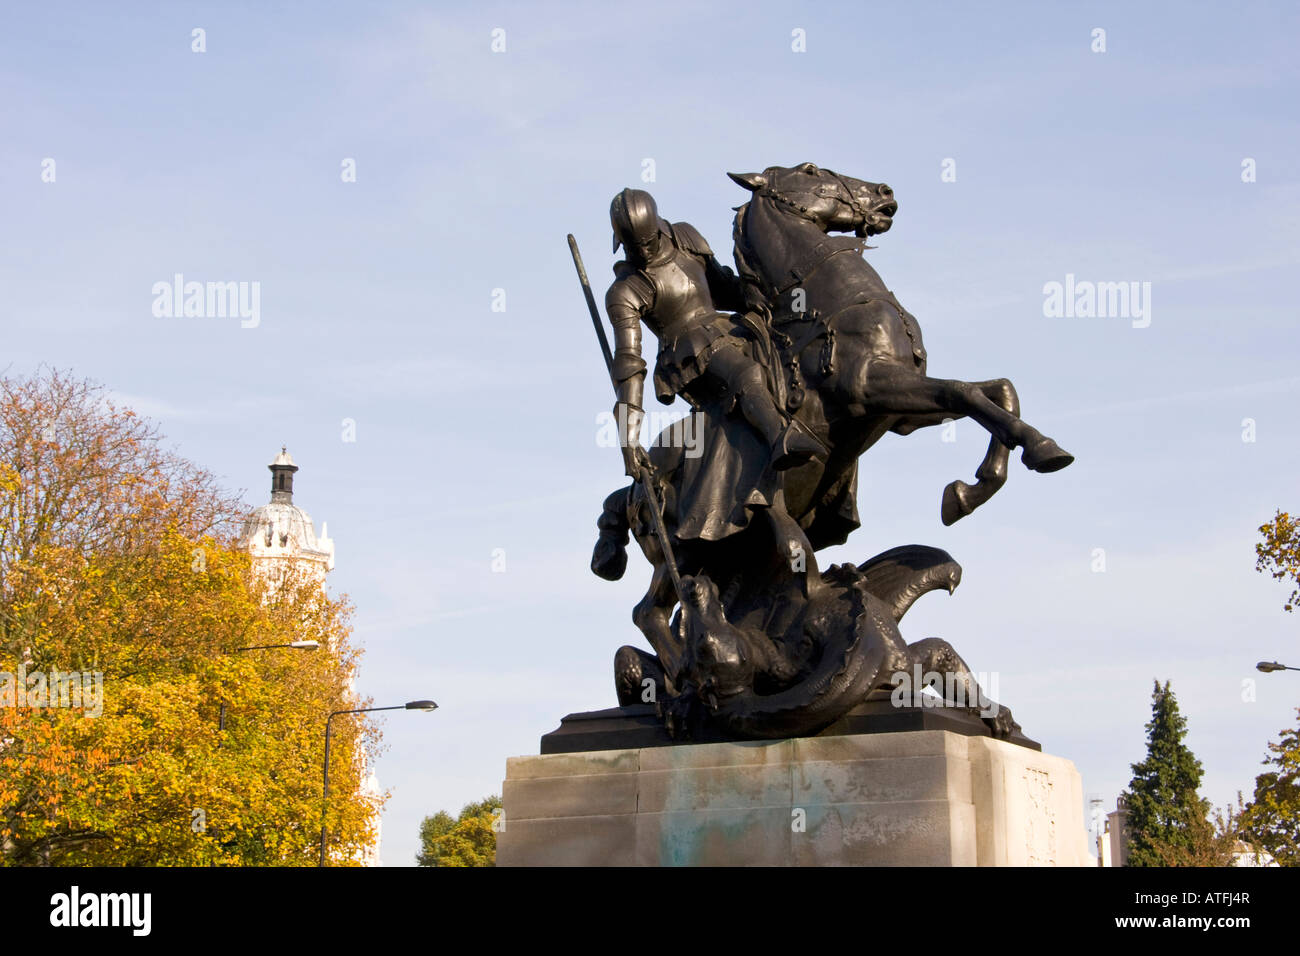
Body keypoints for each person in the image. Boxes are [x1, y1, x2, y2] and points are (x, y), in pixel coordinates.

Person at [605, 187, 824, 481]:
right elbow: (629, 368)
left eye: (647, 243)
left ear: (658, 227)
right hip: (687, 354)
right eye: (634, 247)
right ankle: (780, 438)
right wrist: (628, 441)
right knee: (746, 373)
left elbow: (721, 286)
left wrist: (764, 297)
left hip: (725, 328)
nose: (643, 253)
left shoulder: (685, 237)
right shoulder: (625, 291)